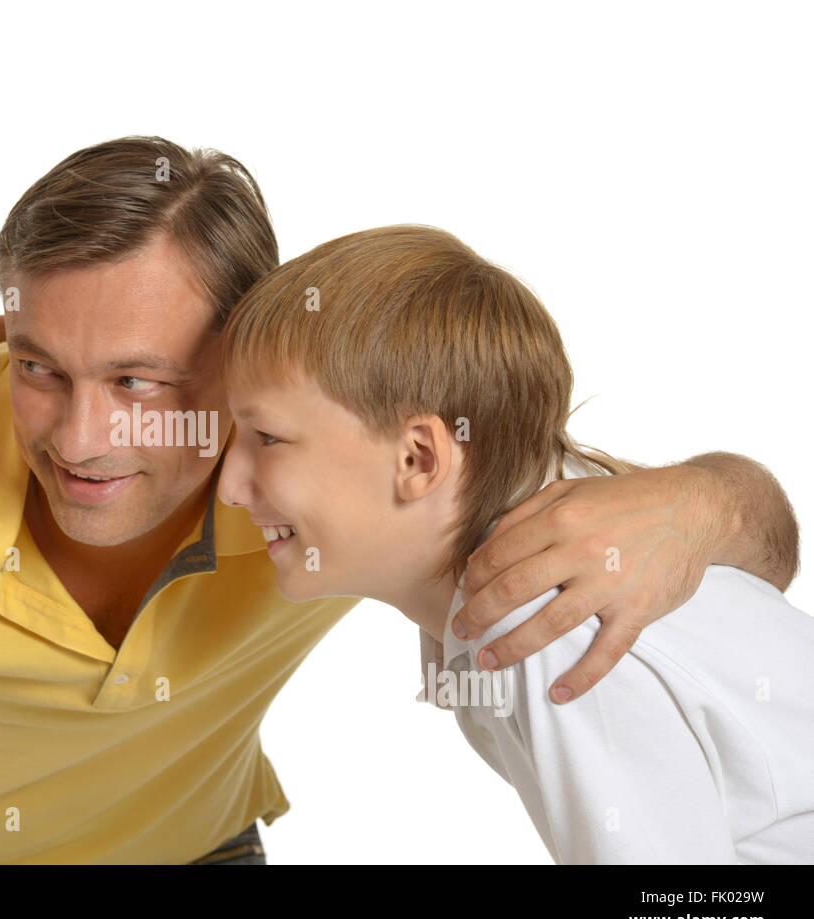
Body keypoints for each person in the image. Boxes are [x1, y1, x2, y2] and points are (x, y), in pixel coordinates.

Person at [0, 138, 800, 864]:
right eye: (40, 369)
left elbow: (753, 541)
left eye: (144, 381)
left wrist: (697, 503)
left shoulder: (318, 479)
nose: (84, 437)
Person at [216, 224, 811, 863]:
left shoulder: (547, 615)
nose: (229, 486)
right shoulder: (545, 534)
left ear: (419, 458)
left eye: (268, 438)